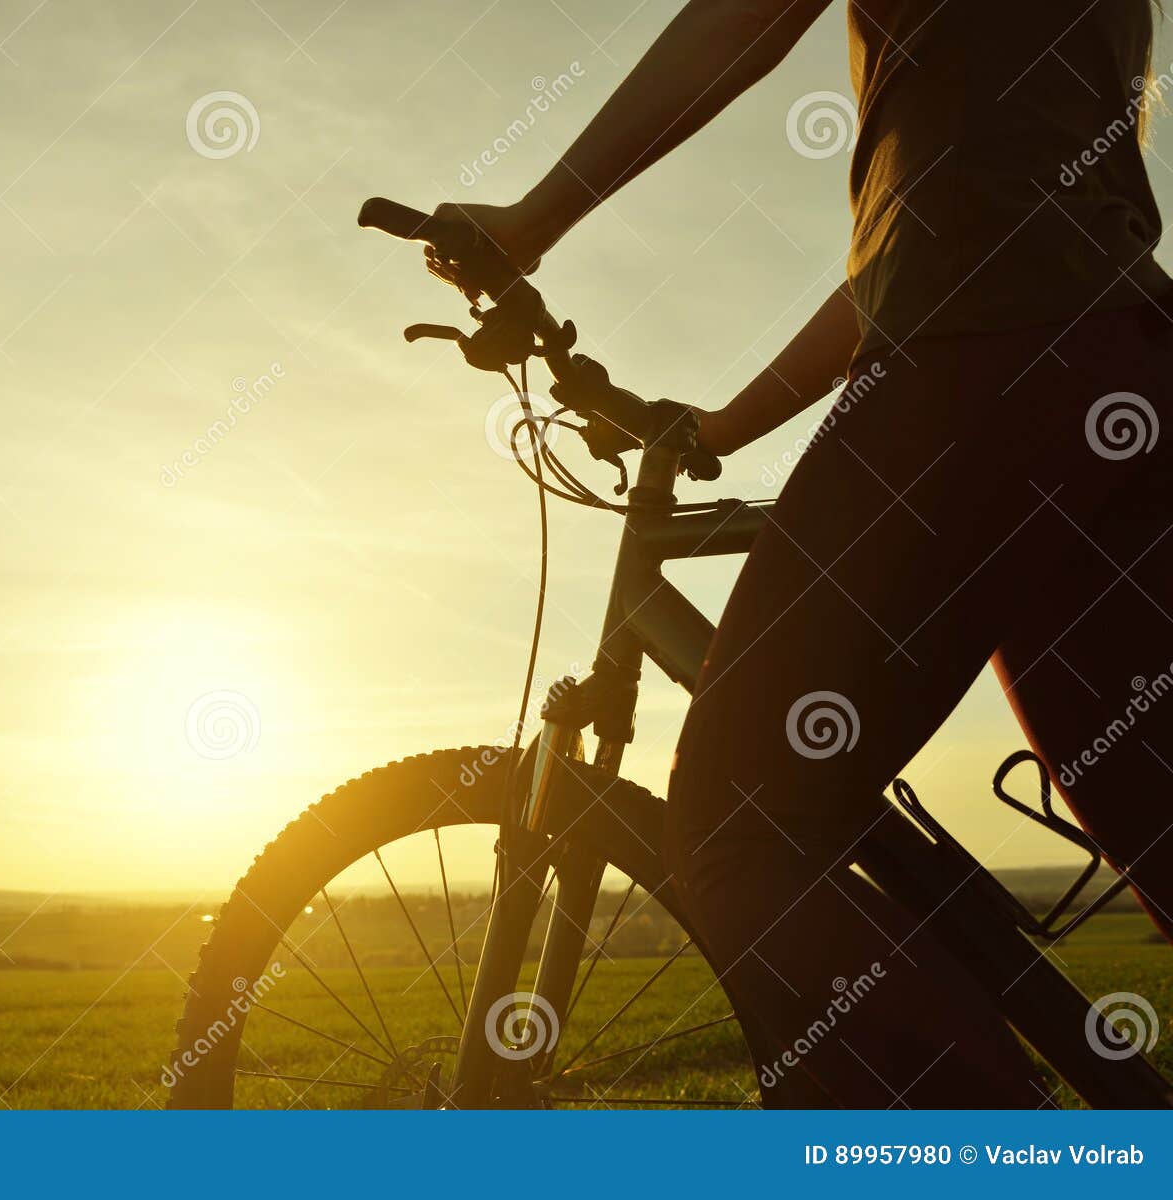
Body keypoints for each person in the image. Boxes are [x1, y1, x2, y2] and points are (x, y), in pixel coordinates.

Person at [442, 0, 1173, 1106]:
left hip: (980, 367)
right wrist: (724, 425)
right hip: (1124, 368)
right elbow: (919, 243)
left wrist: (528, 223)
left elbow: (743, 22)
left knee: (739, 826)